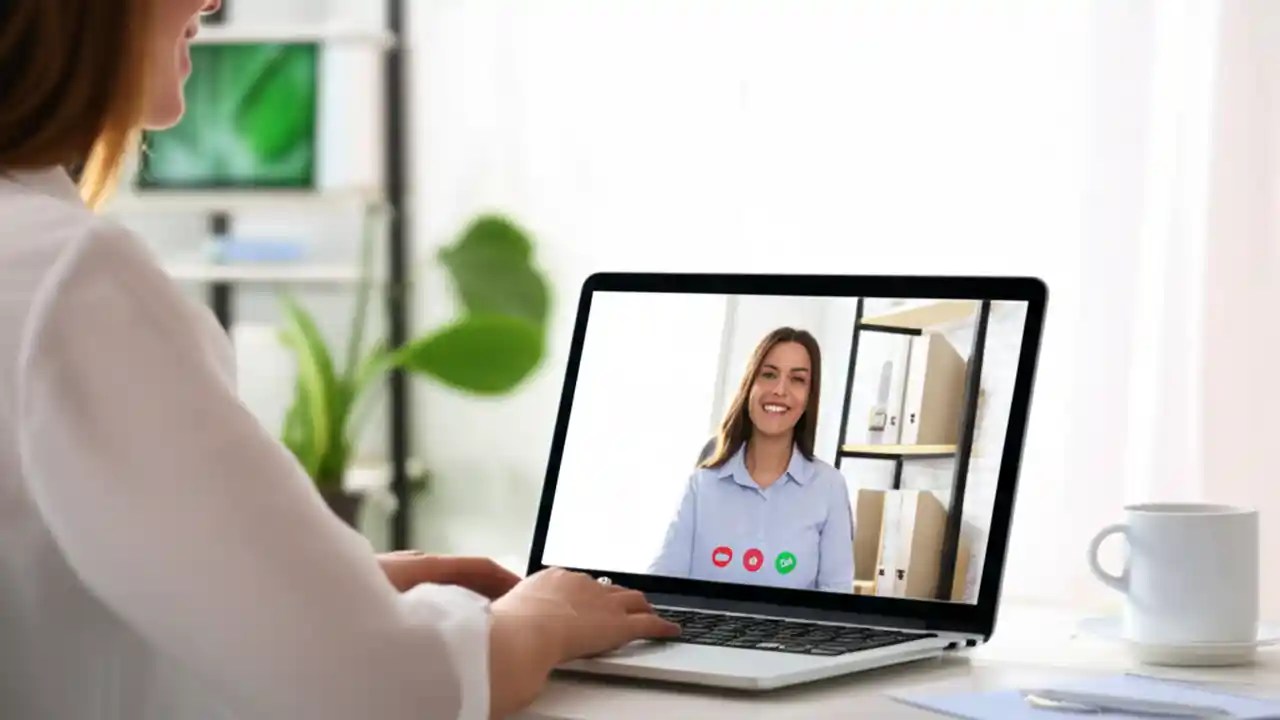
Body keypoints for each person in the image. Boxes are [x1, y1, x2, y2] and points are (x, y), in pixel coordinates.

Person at [0, 1, 677, 718]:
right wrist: (540, 622)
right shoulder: (69, 279)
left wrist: (313, 593)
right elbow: (378, 689)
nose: (214, 0)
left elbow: (51, 594)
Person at [649, 328, 855, 592]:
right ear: (749, 385)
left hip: (788, 634)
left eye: (797, 379)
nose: (780, 390)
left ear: (809, 397)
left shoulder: (829, 487)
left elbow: (836, 601)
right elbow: (662, 584)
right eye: (769, 374)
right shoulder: (702, 483)